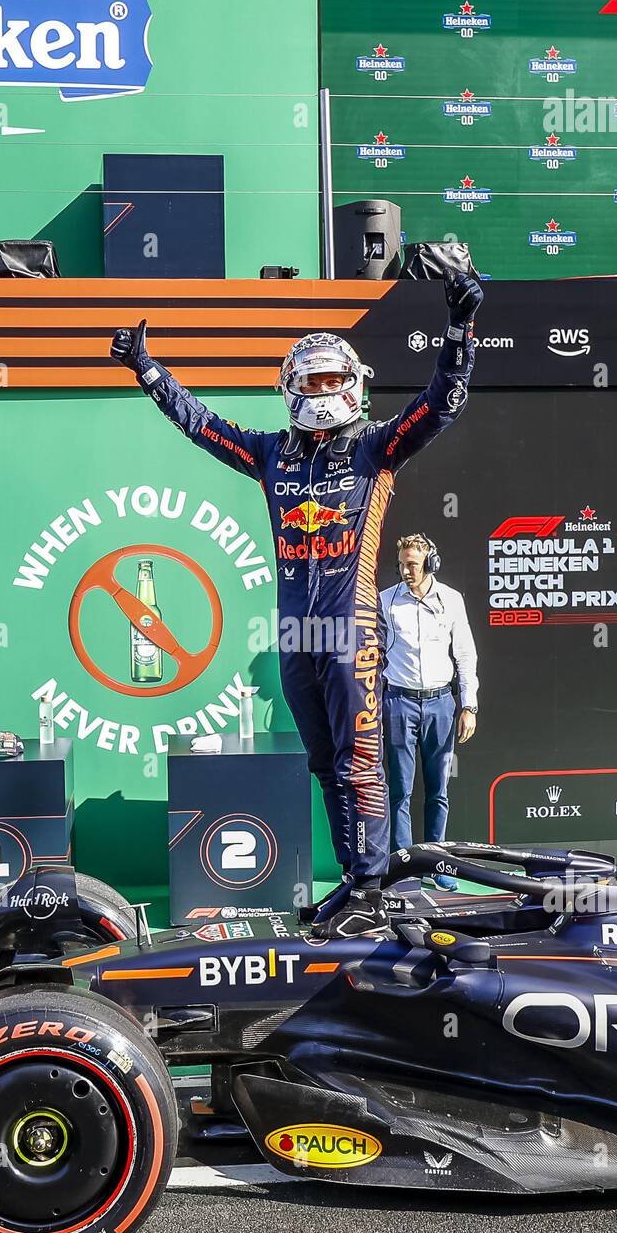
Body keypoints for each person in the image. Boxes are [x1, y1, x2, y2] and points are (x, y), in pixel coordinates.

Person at [111, 244, 482, 937]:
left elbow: (440, 407)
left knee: (360, 761)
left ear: (352, 384)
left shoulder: (375, 447)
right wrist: (147, 370)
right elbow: (202, 425)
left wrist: (460, 325)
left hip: (352, 631)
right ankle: (355, 879)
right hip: (294, 632)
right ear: (288, 388)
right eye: (306, 383)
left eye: (329, 380)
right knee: (323, 764)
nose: (317, 394)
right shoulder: (270, 453)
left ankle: (373, 882)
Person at [381, 534, 479, 890]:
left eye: (413, 563)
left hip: (441, 704)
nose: (406, 570)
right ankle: (404, 868)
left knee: (438, 790)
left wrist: (469, 705)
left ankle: (438, 866)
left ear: (430, 563)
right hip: (398, 703)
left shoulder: (451, 600)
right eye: (402, 563)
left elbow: (465, 655)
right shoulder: (385, 602)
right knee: (400, 792)